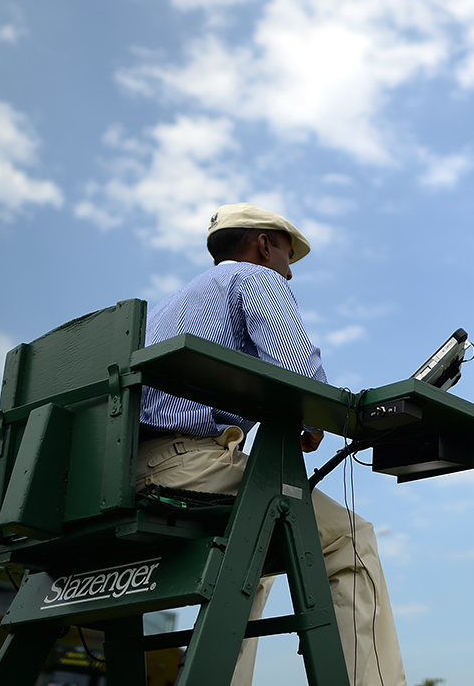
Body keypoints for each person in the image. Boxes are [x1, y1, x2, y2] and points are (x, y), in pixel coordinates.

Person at [135, 202, 406, 686]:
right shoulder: (254, 279)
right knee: (352, 537)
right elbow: (301, 374)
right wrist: (318, 418)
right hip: (189, 465)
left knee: (253, 556)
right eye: (286, 255)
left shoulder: (169, 306)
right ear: (263, 244)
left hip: (130, 473)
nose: (288, 272)